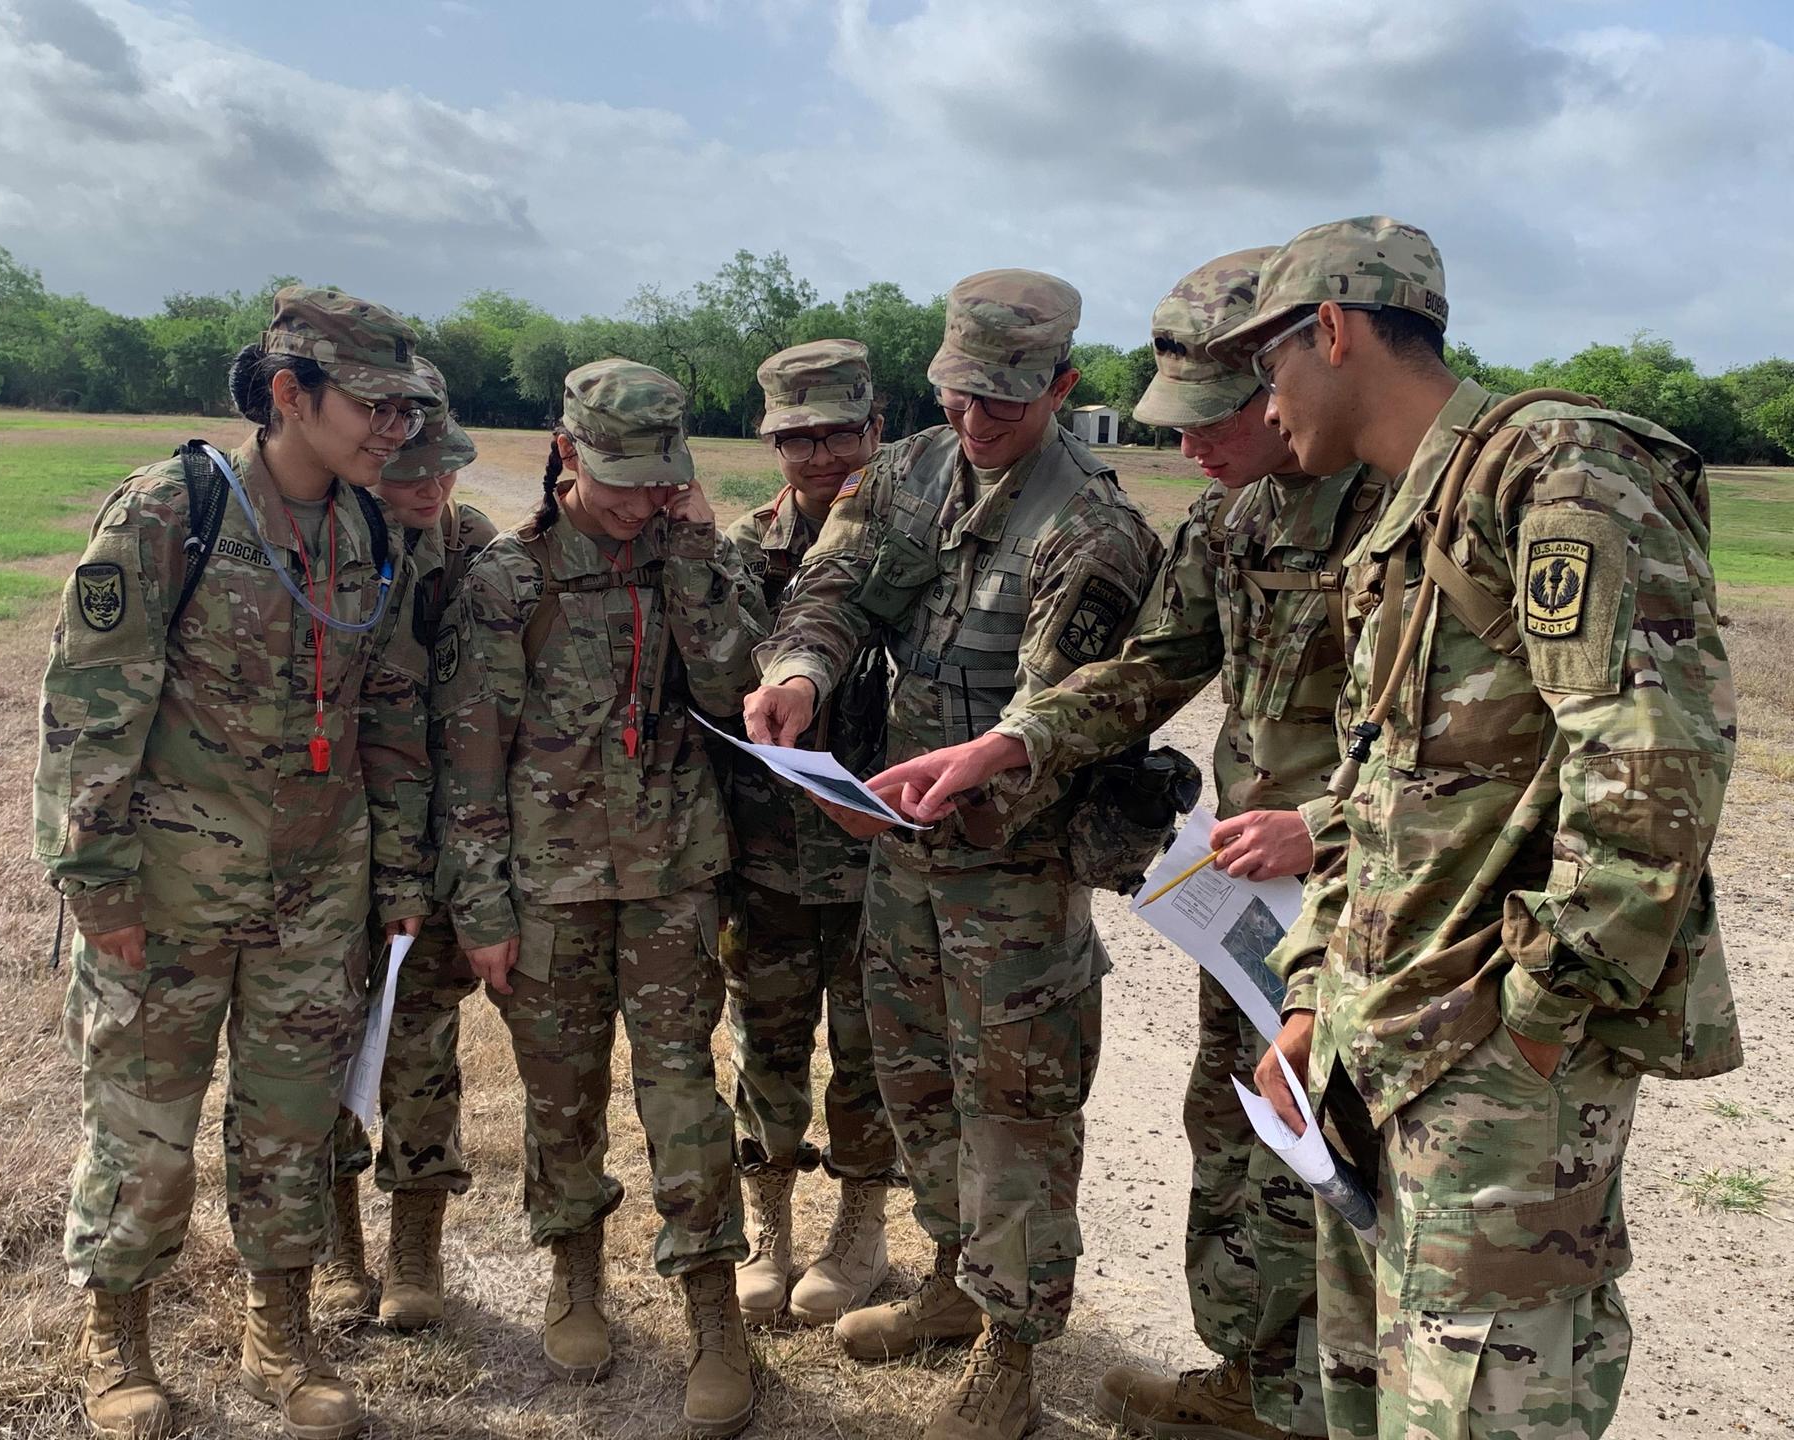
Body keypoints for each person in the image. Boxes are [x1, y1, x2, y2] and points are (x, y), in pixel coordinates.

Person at [1208, 216, 1741, 1439]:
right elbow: (1373, 795)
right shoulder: (1406, 523)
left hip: (1493, 1058)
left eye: (1268, 364)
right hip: (1379, 1044)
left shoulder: (1557, 471)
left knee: (1485, 1406)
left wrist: (1542, 1016)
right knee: (1372, 1394)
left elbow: (1655, 766)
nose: (1263, 401)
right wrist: (1308, 1002)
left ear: (1331, 331)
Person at [872, 250, 1388, 1439]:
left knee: (1352, 1149)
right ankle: (1255, 1381)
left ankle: (1336, 1400)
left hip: (1365, 895)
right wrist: (1012, 744)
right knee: (1238, 1132)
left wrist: (1325, 826)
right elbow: (1150, 667)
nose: (1192, 447)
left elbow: (1461, 744)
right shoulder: (1229, 522)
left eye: (1214, 420)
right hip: (1252, 905)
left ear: (1283, 381)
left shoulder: (1394, 521)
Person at [744, 271, 1159, 1440]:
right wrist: (799, 674)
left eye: (1005, 403)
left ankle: (1013, 1351)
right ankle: (949, 1280)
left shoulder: (1093, 532)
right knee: (914, 1077)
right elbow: (835, 588)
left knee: (1015, 1109)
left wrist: (953, 793)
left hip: (1008, 875)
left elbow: (1059, 719)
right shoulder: (909, 471)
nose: (975, 423)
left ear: (1064, 387)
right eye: (958, 396)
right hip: (898, 850)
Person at [34, 286, 438, 1440]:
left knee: (292, 1126)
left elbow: (394, 716)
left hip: (316, 893)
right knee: (143, 1127)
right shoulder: (175, 511)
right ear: (287, 396)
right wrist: (96, 879)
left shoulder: (370, 529)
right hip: (166, 891)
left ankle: (282, 1336)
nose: (392, 433)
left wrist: (400, 879)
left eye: (406, 412)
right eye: (372, 407)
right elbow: (90, 706)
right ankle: (118, 1342)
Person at [434, 359, 767, 1436]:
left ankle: (713, 1309)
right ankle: (574, 1274)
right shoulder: (509, 581)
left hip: (671, 876)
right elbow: (470, 761)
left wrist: (699, 553)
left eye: (659, 478)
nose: (638, 501)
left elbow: (733, 686)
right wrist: (481, 907)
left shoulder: (686, 559)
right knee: (560, 1094)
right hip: (551, 887)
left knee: (683, 1095)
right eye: (620, 478)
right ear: (567, 453)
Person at [720, 339, 903, 1328]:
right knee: (766, 1048)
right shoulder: (743, 554)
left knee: (872, 1057)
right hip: (771, 857)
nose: (820, 454)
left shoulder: (919, 552)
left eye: (839, 431)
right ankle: (769, 1229)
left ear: (875, 430)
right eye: (797, 437)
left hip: (885, 862)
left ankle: (858, 1233)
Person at [320, 357, 498, 1331]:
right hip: (324, 853)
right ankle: (342, 1253)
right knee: (320, 1060)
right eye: (411, 473)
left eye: (447, 469)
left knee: (421, 1050)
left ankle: (416, 1255)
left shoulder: (470, 548)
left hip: (431, 851)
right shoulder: (322, 549)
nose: (433, 490)